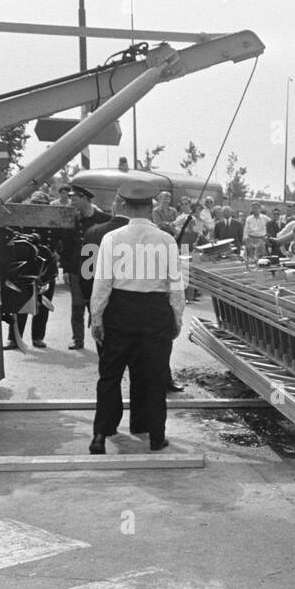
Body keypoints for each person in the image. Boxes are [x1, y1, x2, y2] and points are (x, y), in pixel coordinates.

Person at [89, 180, 184, 454]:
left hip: (120, 309)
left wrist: (97, 318)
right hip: (155, 311)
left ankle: (100, 434)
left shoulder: (112, 239)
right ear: (152, 206)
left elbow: (102, 282)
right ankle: (155, 435)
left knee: (110, 374)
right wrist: (176, 318)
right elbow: (175, 285)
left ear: (124, 206)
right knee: (153, 376)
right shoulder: (166, 240)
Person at [61, 184, 111, 350]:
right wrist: (66, 269)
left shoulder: (104, 219)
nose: (71, 202)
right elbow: (66, 246)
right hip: (77, 268)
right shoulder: (73, 220)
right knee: (77, 306)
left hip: (98, 268)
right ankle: (78, 339)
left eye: (74, 198)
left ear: (85, 198)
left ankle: (101, 337)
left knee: (97, 304)